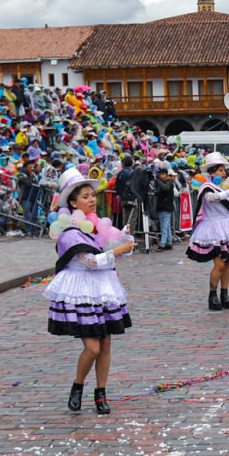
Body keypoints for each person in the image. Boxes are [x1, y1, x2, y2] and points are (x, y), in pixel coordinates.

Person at [46, 168, 135, 414]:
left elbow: (109, 251)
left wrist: (123, 241)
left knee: (105, 345)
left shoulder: (94, 227)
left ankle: (101, 394)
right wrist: (119, 250)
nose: (92, 200)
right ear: (73, 202)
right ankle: (77, 386)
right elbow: (91, 261)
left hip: (103, 289)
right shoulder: (70, 233)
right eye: (85, 196)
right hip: (82, 292)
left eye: (93, 195)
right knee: (92, 347)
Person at [187, 152, 229, 310]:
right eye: (220, 170)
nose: (223, 173)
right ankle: (212, 295)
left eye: (224, 170)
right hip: (213, 228)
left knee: (227, 263)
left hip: (227, 226)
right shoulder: (206, 186)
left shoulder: (223, 186)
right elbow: (210, 198)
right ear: (212, 172)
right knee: (219, 264)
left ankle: (224, 293)